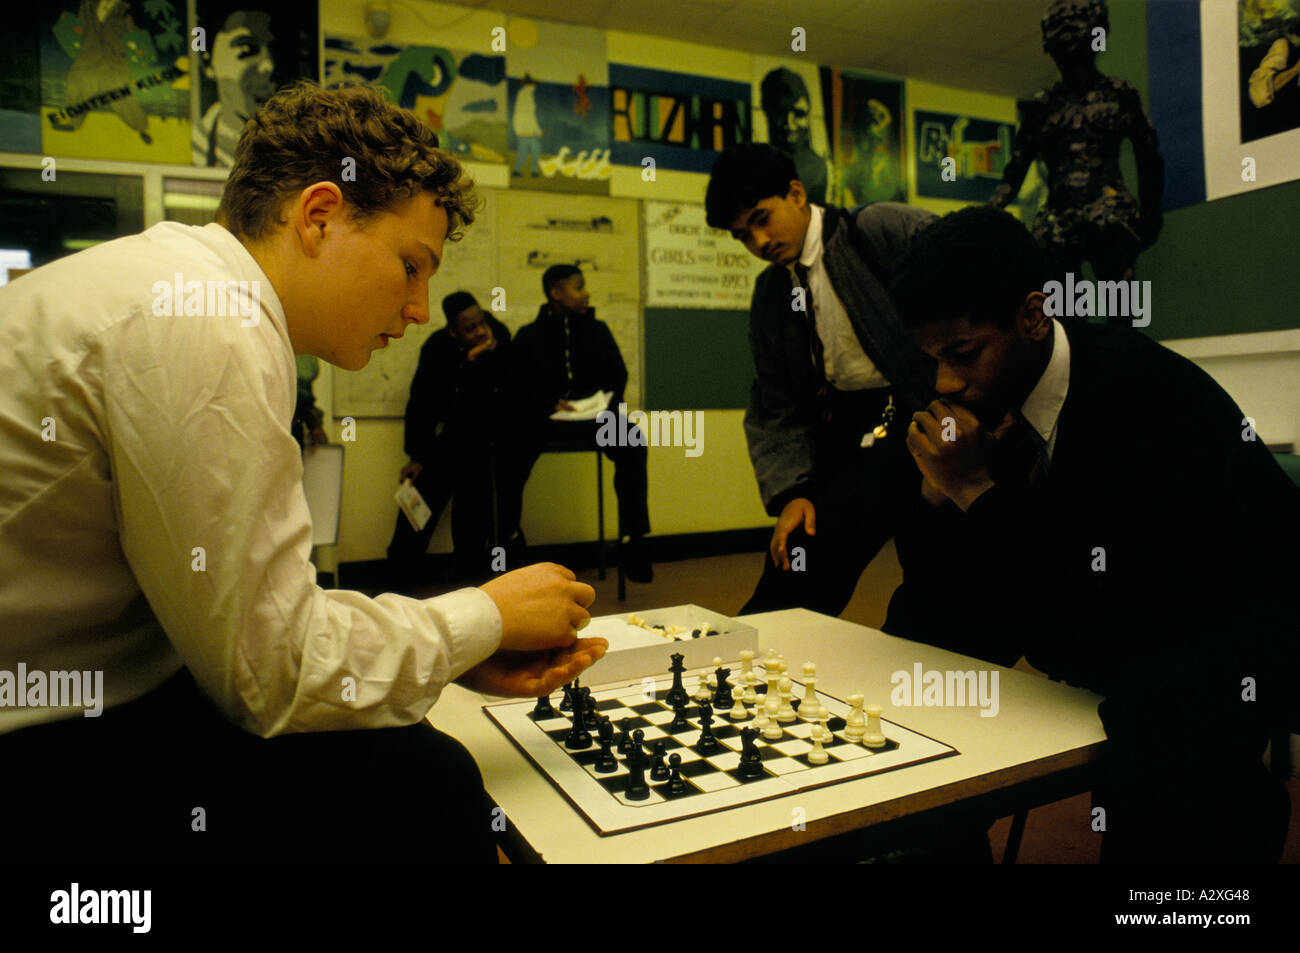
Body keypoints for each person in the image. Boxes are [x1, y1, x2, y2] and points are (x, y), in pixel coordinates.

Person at [0, 81, 605, 862]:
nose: (420, 308)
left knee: (404, 748)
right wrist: (480, 617)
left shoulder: (185, 286)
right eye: (410, 265)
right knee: (427, 783)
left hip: (87, 681)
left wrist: (450, 650)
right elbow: (270, 673)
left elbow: (256, 613)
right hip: (37, 738)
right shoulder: (206, 321)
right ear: (319, 216)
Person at [886, 205, 1298, 862]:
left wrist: (976, 493)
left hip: (1231, 627)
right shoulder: (991, 387)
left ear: (1032, 315)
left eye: (962, 353)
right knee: (913, 676)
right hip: (1108, 614)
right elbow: (950, 605)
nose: (943, 380)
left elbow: (1093, 616)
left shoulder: (1140, 398)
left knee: (1160, 738)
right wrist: (939, 502)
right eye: (932, 357)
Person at [704, 142, 934, 616]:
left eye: (762, 219)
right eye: (743, 236)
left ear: (796, 193)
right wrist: (795, 491)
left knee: (939, 586)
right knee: (797, 570)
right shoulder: (771, 291)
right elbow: (776, 402)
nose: (759, 243)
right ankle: (742, 677)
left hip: (933, 419)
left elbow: (986, 287)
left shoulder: (877, 231)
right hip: (852, 431)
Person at [512, 265, 653, 582]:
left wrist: (601, 403)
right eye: (578, 287)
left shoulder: (598, 330)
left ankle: (633, 539)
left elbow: (618, 375)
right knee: (510, 446)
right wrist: (547, 403)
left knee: (631, 440)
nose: (586, 292)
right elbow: (518, 384)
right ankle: (509, 539)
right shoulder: (529, 335)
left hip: (593, 417)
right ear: (556, 293)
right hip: (546, 420)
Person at [387, 291, 523, 588]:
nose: (480, 332)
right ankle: (396, 583)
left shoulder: (499, 339)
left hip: (488, 442)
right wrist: (417, 456)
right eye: (470, 328)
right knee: (417, 506)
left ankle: (470, 580)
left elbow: (505, 399)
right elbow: (422, 404)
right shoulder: (438, 348)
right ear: (453, 331)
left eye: (481, 322)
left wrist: (482, 361)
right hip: (450, 439)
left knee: (472, 513)